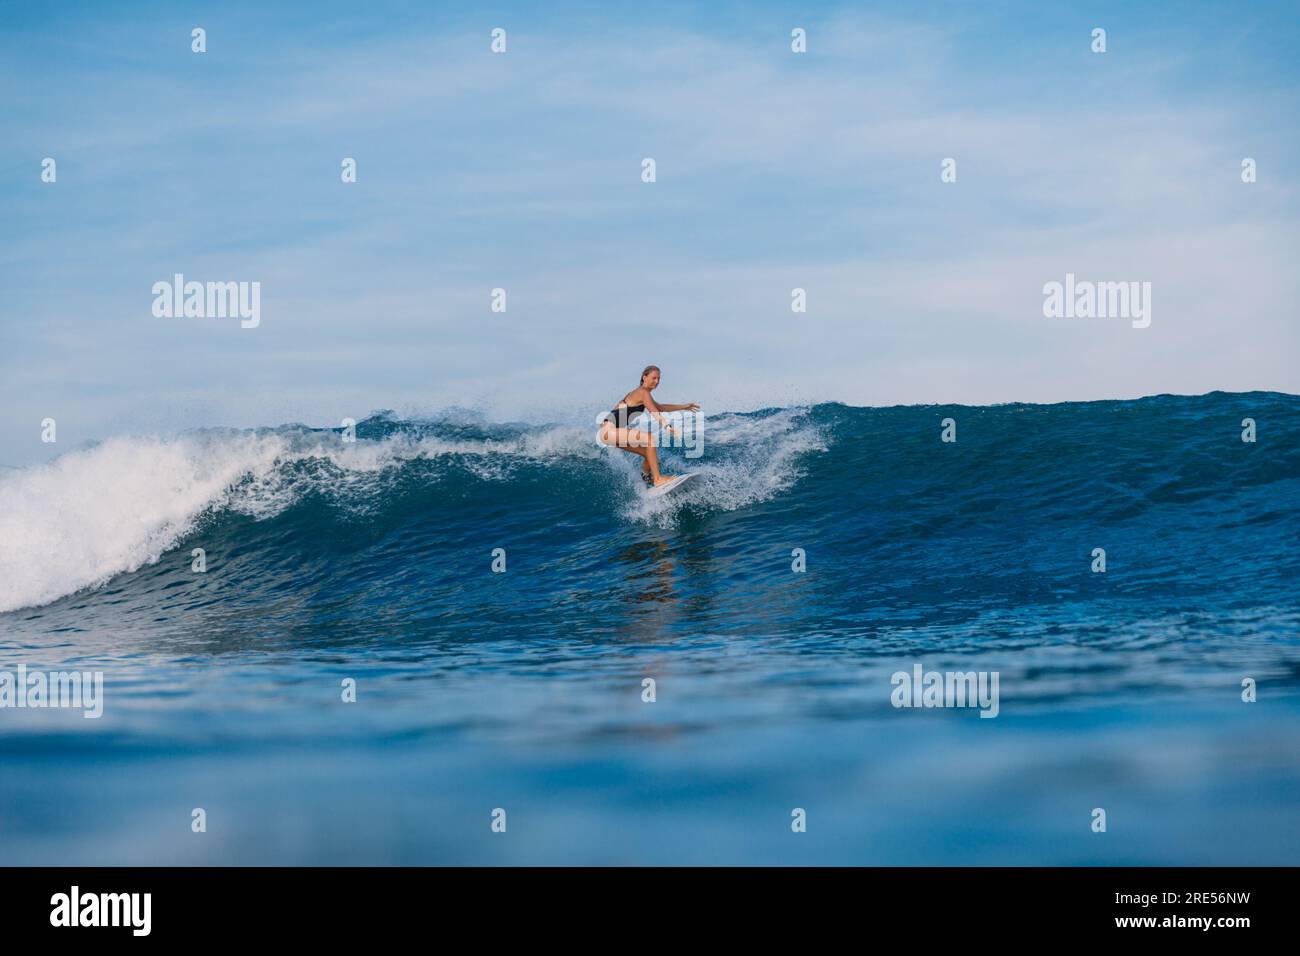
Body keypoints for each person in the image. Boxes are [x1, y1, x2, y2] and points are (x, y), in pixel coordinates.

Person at [597, 365, 699, 487]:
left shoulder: (639, 393)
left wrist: (684, 407)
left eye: (658, 379)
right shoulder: (643, 392)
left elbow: (659, 407)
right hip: (610, 431)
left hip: (609, 433)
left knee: (647, 453)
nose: (656, 382)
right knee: (649, 439)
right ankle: (658, 479)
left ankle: (646, 478)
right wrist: (666, 425)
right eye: (653, 378)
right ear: (644, 377)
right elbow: (654, 411)